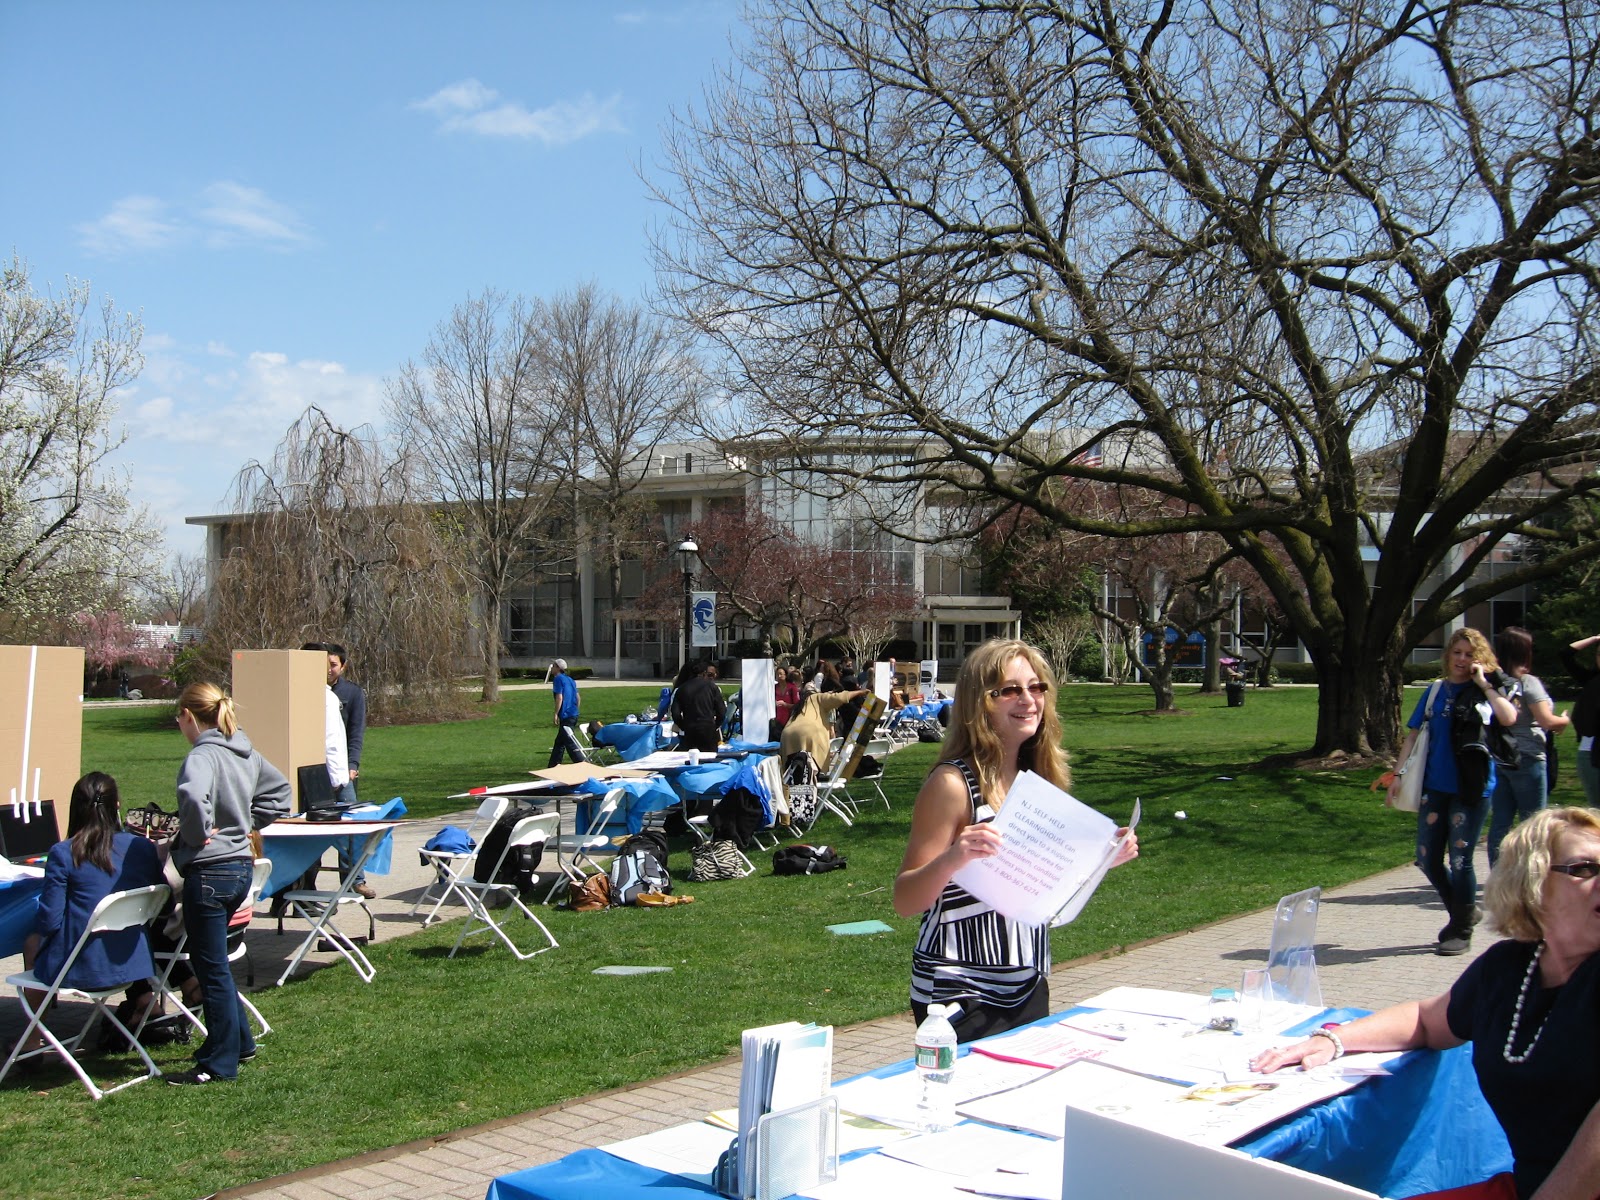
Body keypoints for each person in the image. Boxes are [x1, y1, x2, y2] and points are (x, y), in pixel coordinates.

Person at [1253, 807, 1600, 1200]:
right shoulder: (1511, 967)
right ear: (1531, 884)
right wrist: (1334, 1039)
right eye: (1586, 868)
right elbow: (1428, 1020)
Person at [893, 639, 1138, 1042]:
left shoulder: (1037, 782)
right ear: (979, 702)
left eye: (1036, 687)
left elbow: (1041, 884)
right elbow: (905, 899)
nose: (1028, 699)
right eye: (1009, 690)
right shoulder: (953, 785)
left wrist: (1101, 859)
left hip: (1027, 978)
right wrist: (955, 857)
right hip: (960, 990)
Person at [169, 682, 290, 1084]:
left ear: (189, 715)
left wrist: (199, 833)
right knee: (216, 964)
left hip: (209, 870)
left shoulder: (201, 755)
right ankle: (239, 1042)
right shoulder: (245, 751)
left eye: (179, 718)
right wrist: (245, 826)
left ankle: (219, 1063)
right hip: (240, 866)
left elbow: (191, 795)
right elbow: (281, 794)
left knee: (211, 969)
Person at [14, 773, 163, 1060]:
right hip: (135, 965)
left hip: (84, 968)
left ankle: (33, 1039)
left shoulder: (63, 852)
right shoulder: (140, 847)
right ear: (117, 805)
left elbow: (49, 921)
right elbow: (160, 897)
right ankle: (147, 1002)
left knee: (32, 942)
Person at [1389, 628, 1518, 956]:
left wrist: (1484, 684)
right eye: (1457, 653)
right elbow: (1414, 735)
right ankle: (1464, 912)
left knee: (1461, 859)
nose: (1462, 660)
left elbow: (1508, 717)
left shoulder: (1486, 692)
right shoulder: (1436, 691)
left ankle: (1460, 928)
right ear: (1448, 656)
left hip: (1472, 790)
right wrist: (1398, 774)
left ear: (1481, 659)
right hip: (1435, 786)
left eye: (1469, 654)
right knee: (1426, 858)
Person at [1487, 627, 1570, 867]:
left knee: (1501, 821)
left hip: (1501, 755)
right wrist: (1564, 720)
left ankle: (1499, 873)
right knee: (1534, 822)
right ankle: (1531, 875)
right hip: (1528, 755)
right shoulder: (1527, 683)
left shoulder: (1494, 683)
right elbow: (1546, 720)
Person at [781, 685, 869, 767]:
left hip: (787, 734)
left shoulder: (800, 705)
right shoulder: (818, 697)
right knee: (811, 767)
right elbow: (840, 697)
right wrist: (860, 692)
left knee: (792, 769)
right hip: (809, 733)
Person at [1563, 634, 1600, 806]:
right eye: (1599, 654)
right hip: (1590, 752)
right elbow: (1565, 654)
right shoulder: (1591, 680)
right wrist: (1594, 639)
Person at [672, 659, 727, 753]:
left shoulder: (681, 689)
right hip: (708, 729)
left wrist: (683, 726)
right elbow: (721, 711)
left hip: (690, 730)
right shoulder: (712, 687)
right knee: (709, 758)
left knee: (689, 759)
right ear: (704, 673)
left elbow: (675, 713)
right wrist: (715, 725)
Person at [547, 658, 584, 767]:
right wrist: (575, 709)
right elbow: (578, 698)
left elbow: (559, 697)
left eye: (553, 666)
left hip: (566, 715)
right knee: (560, 742)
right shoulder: (570, 680)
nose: (552, 668)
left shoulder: (558, 679)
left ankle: (582, 764)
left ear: (558, 668)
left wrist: (556, 713)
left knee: (569, 742)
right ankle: (553, 766)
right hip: (573, 714)